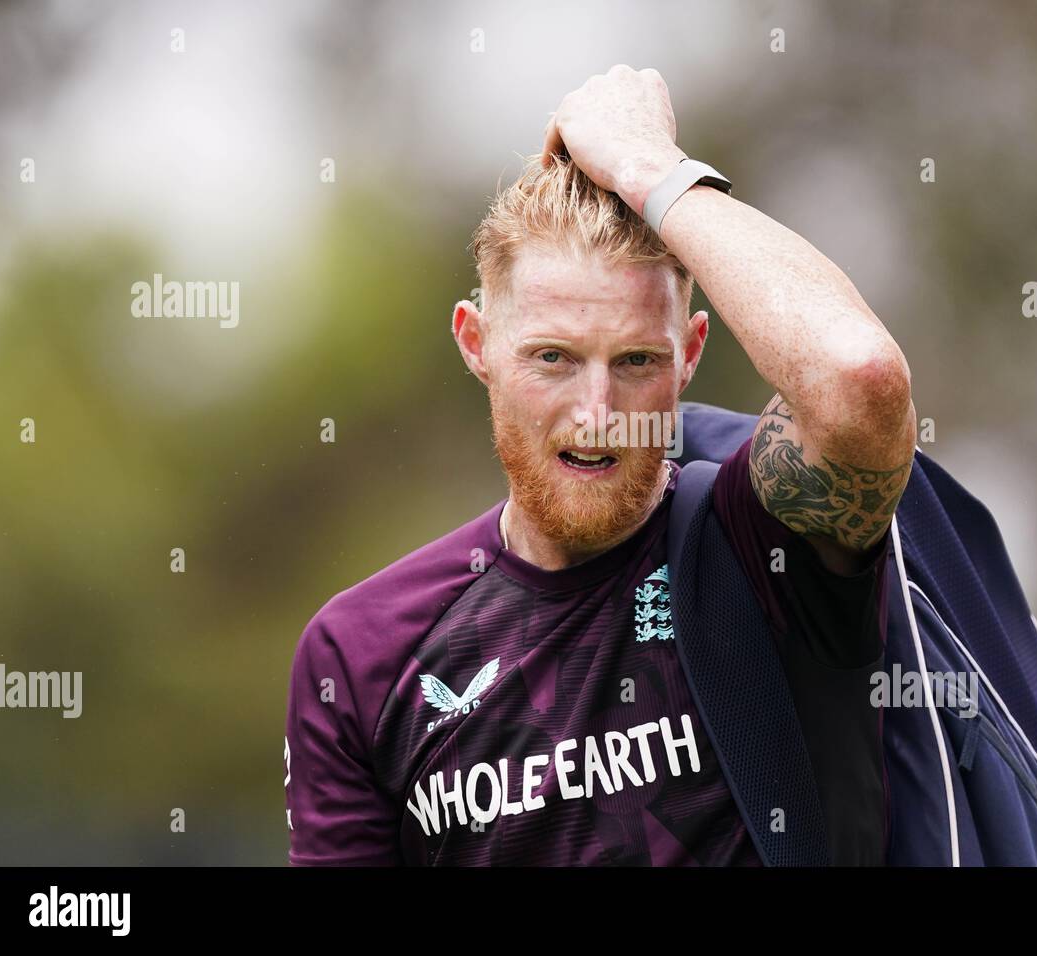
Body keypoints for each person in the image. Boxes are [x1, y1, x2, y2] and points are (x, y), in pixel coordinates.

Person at [285, 65, 916, 865]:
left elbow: (857, 376)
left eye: (635, 360)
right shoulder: (364, 651)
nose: (596, 410)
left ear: (689, 355)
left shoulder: (764, 547)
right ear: (475, 344)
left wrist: (646, 164)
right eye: (552, 356)